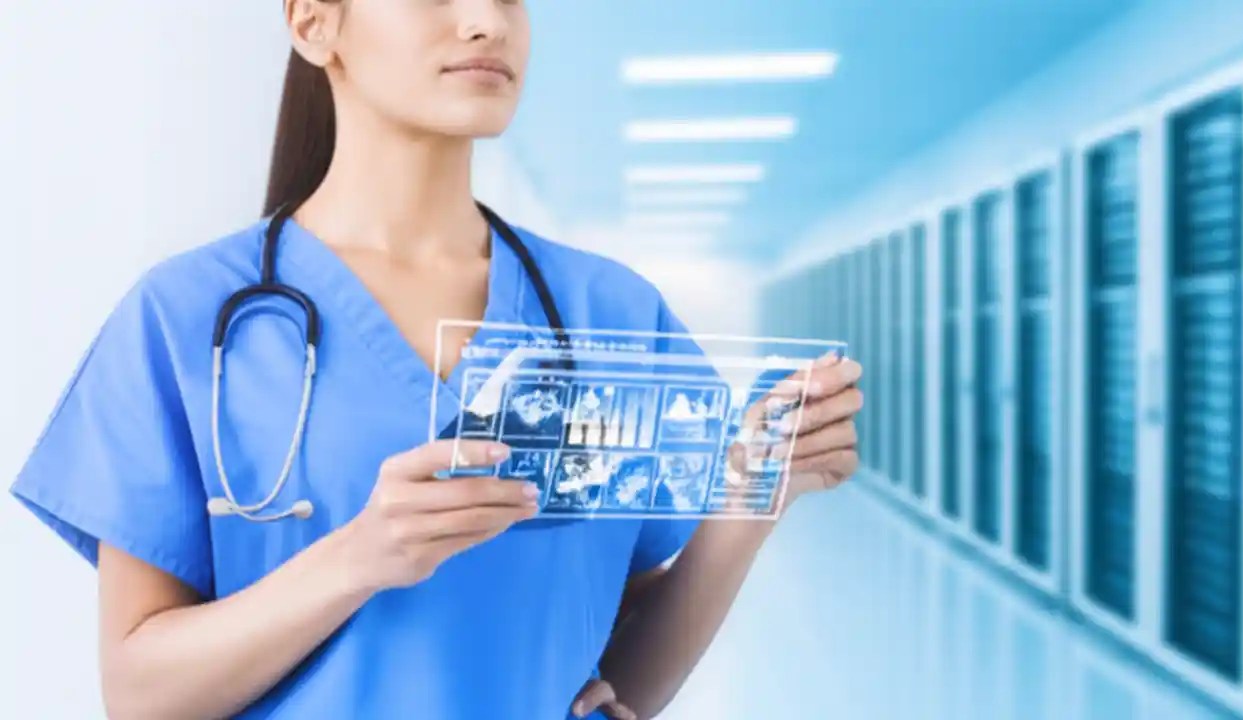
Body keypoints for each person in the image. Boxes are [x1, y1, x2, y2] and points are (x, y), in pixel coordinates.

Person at [9, 1, 864, 718]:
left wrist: (751, 498)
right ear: (313, 20)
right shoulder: (186, 316)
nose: (488, 21)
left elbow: (615, 681)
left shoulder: (612, 315)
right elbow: (139, 694)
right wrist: (359, 558)